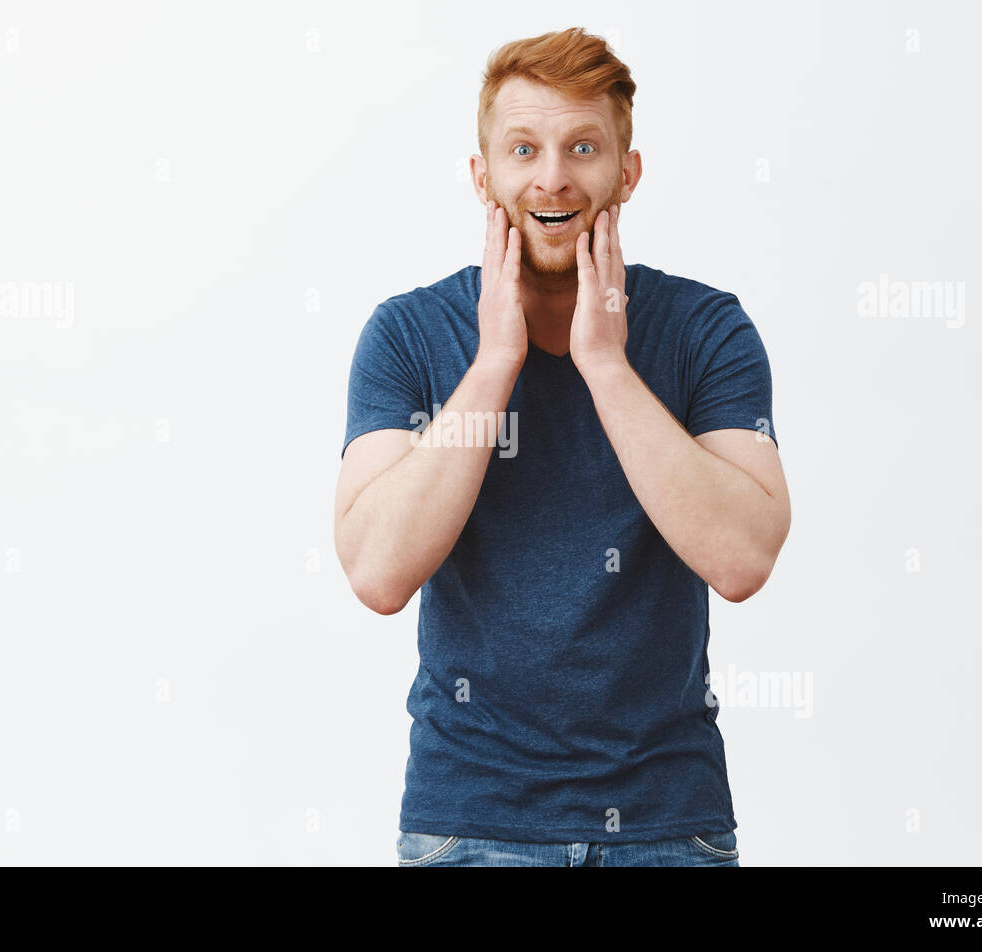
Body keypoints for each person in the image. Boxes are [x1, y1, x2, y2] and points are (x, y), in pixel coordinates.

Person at [334, 27, 791, 867]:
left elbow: (743, 559)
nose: (552, 177)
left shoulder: (706, 329)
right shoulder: (406, 335)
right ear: (483, 176)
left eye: (583, 146)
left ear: (628, 171)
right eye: (523, 149)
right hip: (469, 827)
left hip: (668, 824)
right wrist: (496, 360)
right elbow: (377, 572)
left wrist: (607, 367)